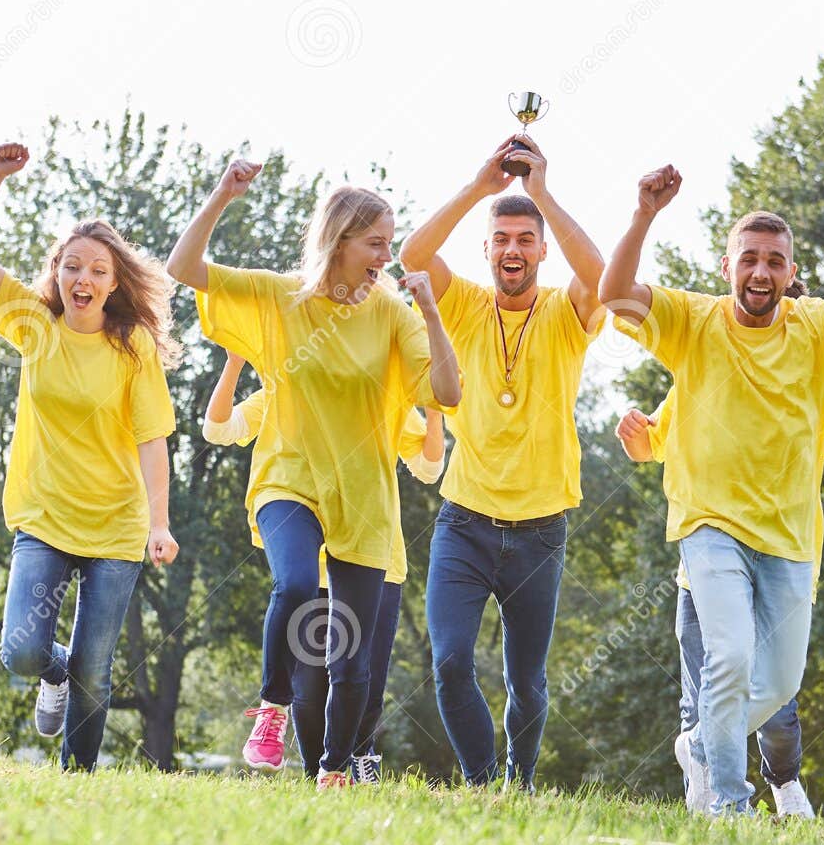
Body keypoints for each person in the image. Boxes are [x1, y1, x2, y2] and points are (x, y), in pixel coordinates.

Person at [600, 168, 824, 816]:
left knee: (778, 684)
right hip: (708, 526)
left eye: (773, 262)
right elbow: (614, 295)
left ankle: (699, 744)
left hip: (788, 542)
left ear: (789, 271)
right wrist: (642, 214)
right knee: (728, 653)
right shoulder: (693, 322)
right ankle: (727, 803)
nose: (759, 271)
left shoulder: (818, 328)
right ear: (725, 265)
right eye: (747, 258)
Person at [167, 162, 460, 790]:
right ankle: (271, 707)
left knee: (350, 665)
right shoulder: (282, 296)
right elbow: (184, 269)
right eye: (375, 242)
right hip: (288, 480)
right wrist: (223, 195)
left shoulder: (391, 313)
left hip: (362, 499)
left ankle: (332, 773)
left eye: (389, 242)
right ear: (340, 241)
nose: (387, 254)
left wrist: (431, 313)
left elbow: (448, 391)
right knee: (295, 583)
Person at [0, 141, 179, 770]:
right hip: (45, 518)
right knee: (23, 653)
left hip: (116, 526)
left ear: (113, 284)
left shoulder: (133, 349)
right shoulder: (33, 323)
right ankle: (50, 672)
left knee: (96, 672)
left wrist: (159, 523)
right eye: (72, 267)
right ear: (57, 273)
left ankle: (79, 779)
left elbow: (152, 439)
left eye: (98, 271)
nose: (84, 279)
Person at [400, 136, 604, 790]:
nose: (512, 250)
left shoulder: (568, 314)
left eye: (525, 239)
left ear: (541, 249)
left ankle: (520, 779)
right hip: (464, 522)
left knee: (527, 679)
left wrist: (541, 191)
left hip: (541, 528)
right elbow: (412, 257)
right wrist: (476, 188)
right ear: (485, 249)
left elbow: (600, 277)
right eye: (501, 239)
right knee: (450, 661)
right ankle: (484, 785)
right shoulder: (460, 304)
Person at [616, 358, 824, 816]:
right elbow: (652, 444)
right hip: (705, 571)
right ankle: (714, 802)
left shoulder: (812, 386)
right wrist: (633, 437)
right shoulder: (704, 368)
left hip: (780, 561)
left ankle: (779, 781)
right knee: (708, 690)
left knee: (774, 697)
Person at [201, 350, 445, 778]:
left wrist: (433, 403)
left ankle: (360, 754)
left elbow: (427, 467)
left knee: (363, 686)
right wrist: (235, 360)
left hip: (376, 557)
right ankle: (325, 775)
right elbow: (220, 428)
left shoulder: (383, 397)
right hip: (316, 566)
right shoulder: (293, 384)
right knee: (311, 694)